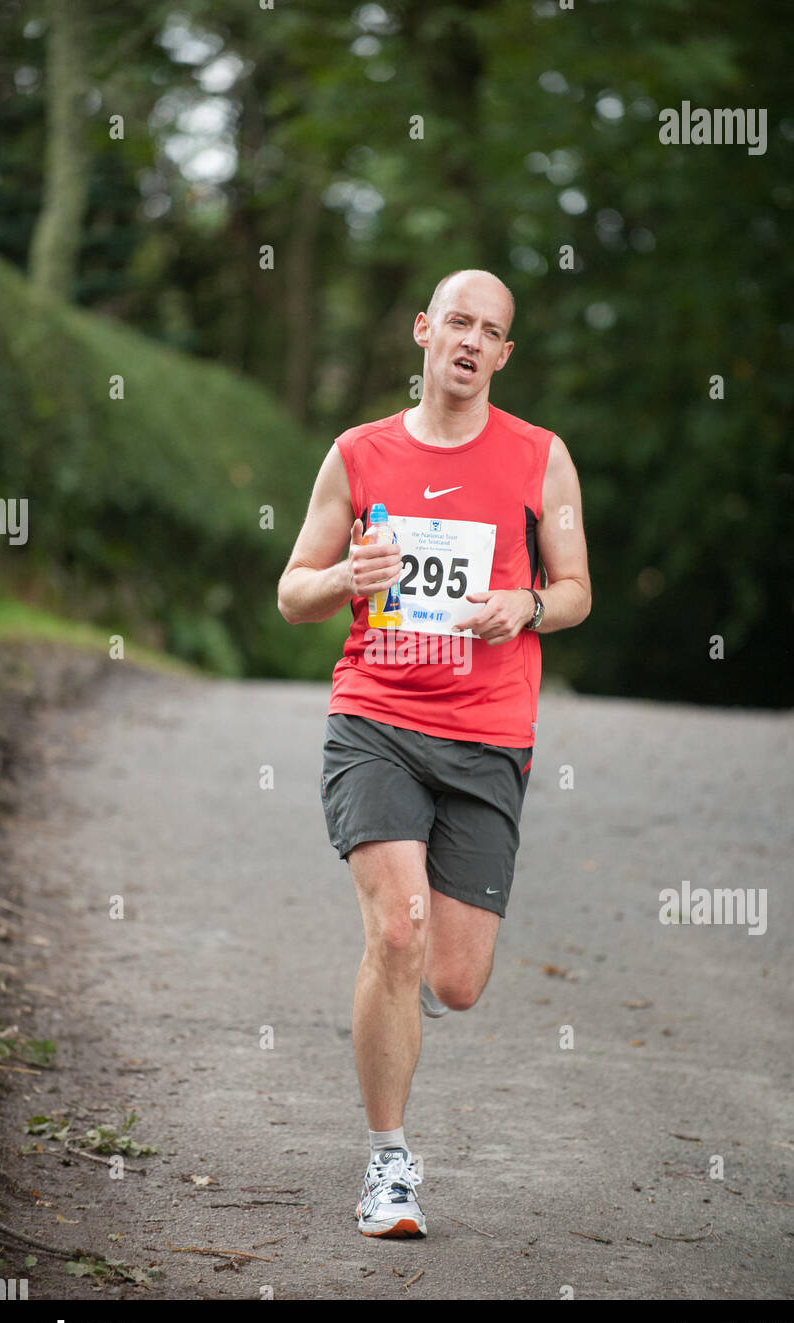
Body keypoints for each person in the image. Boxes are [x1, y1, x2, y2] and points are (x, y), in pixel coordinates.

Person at [277, 268, 591, 1237]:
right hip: (374, 718)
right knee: (398, 935)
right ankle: (389, 1164)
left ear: (502, 355)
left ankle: (407, 997)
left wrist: (526, 604)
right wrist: (344, 574)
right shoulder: (358, 452)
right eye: (456, 319)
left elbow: (576, 587)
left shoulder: (541, 458)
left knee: (453, 977)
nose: (469, 339)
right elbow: (293, 591)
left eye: (490, 330)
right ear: (423, 331)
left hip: (489, 735)